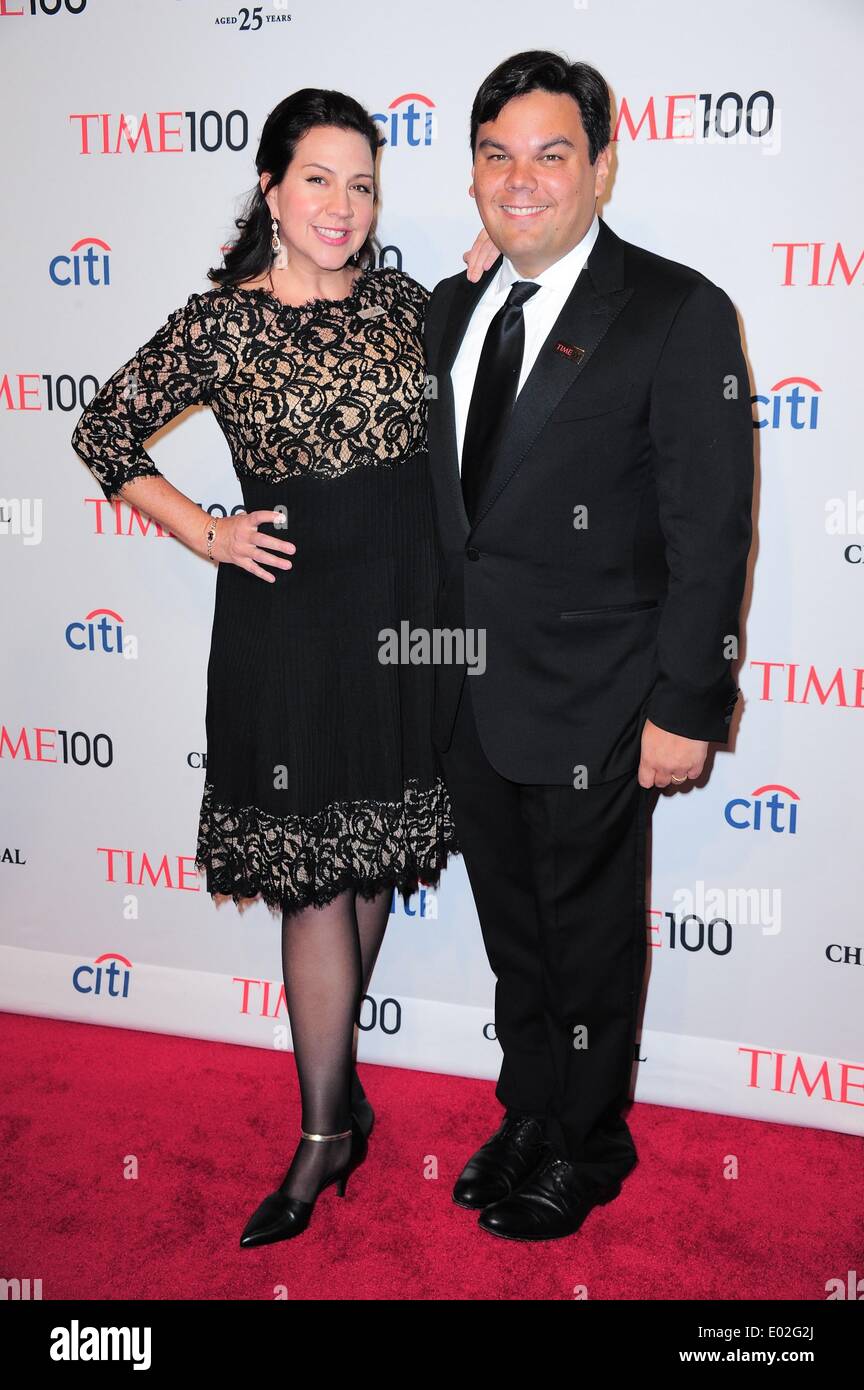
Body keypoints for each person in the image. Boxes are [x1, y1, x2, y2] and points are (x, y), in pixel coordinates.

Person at [70, 88, 495, 1249]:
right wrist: (207, 528)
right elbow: (103, 431)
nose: (343, 205)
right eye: (319, 178)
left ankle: (339, 1094)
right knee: (310, 878)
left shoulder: (409, 307)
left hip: (403, 626)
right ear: (270, 186)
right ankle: (322, 1134)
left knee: (363, 862)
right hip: (289, 632)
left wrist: (494, 251)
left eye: (362, 184)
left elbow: (500, 334)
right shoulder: (220, 325)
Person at [424, 51, 754, 1240]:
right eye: (496, 155)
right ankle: (530, 1106)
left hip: (606, 701)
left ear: (602, 165)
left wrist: (687, 702)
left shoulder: (677, 309)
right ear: (472, 174)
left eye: (552, 153)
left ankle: (589, 1137)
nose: (522, 180)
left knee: (590, 932)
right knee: (516, 930)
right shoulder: (450, 308)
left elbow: (709, 528)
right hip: (464, 695)